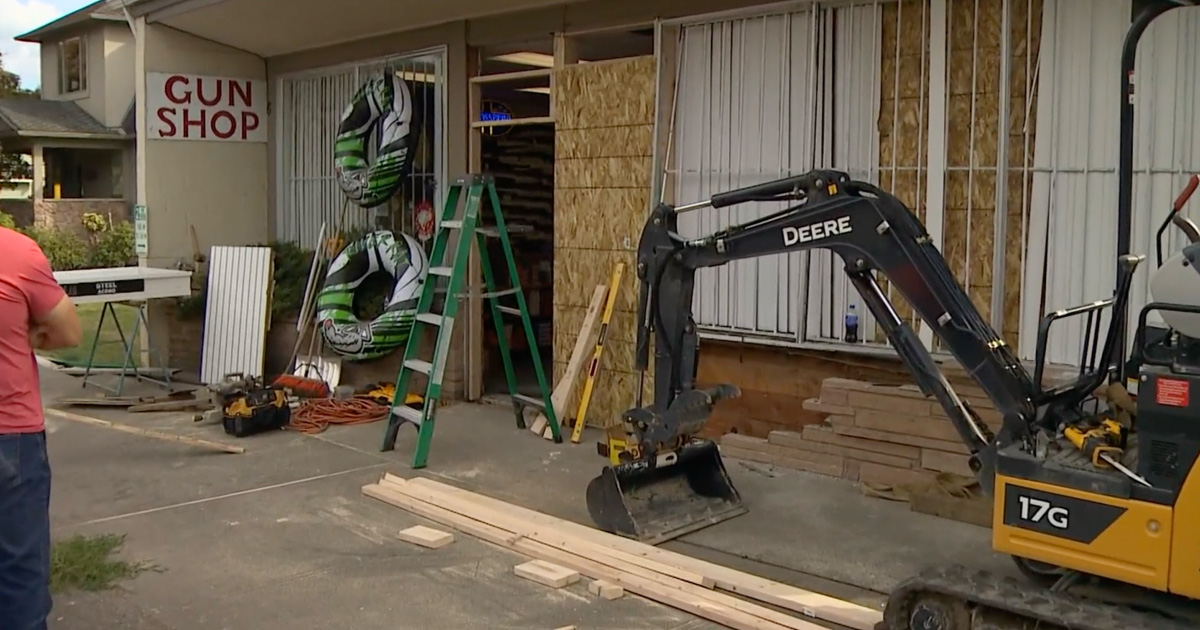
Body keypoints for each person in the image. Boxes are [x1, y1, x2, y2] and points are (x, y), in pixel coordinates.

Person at [0, 225, 82, 630]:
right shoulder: (15, 253)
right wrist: (25, 335)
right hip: (10, 437)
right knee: (18, 577)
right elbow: (68, 331)